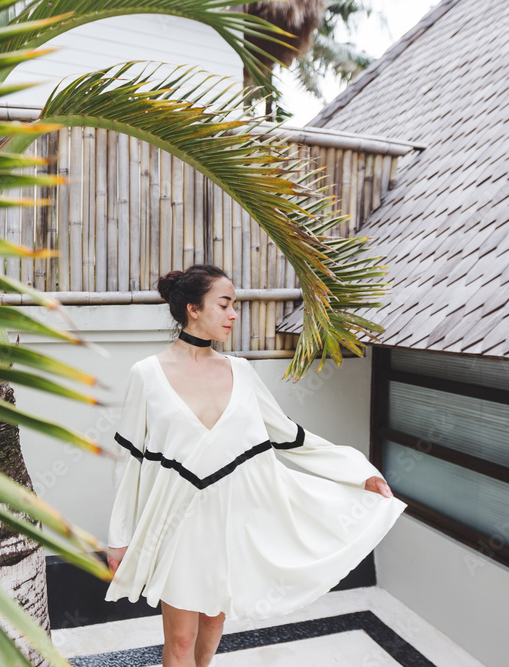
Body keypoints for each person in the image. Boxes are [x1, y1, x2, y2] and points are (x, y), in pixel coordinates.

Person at [104, 264, 407, 667]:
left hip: (232, 522)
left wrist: (357, 472)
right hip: (176, 524)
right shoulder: (146, 375)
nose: (233, 315)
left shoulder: (241, 371)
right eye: (225, 304)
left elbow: (289, 435)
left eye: (236, 306)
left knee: (213, 624)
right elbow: (128, 461)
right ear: (193, 308)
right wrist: (119, 537)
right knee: (180, 639)